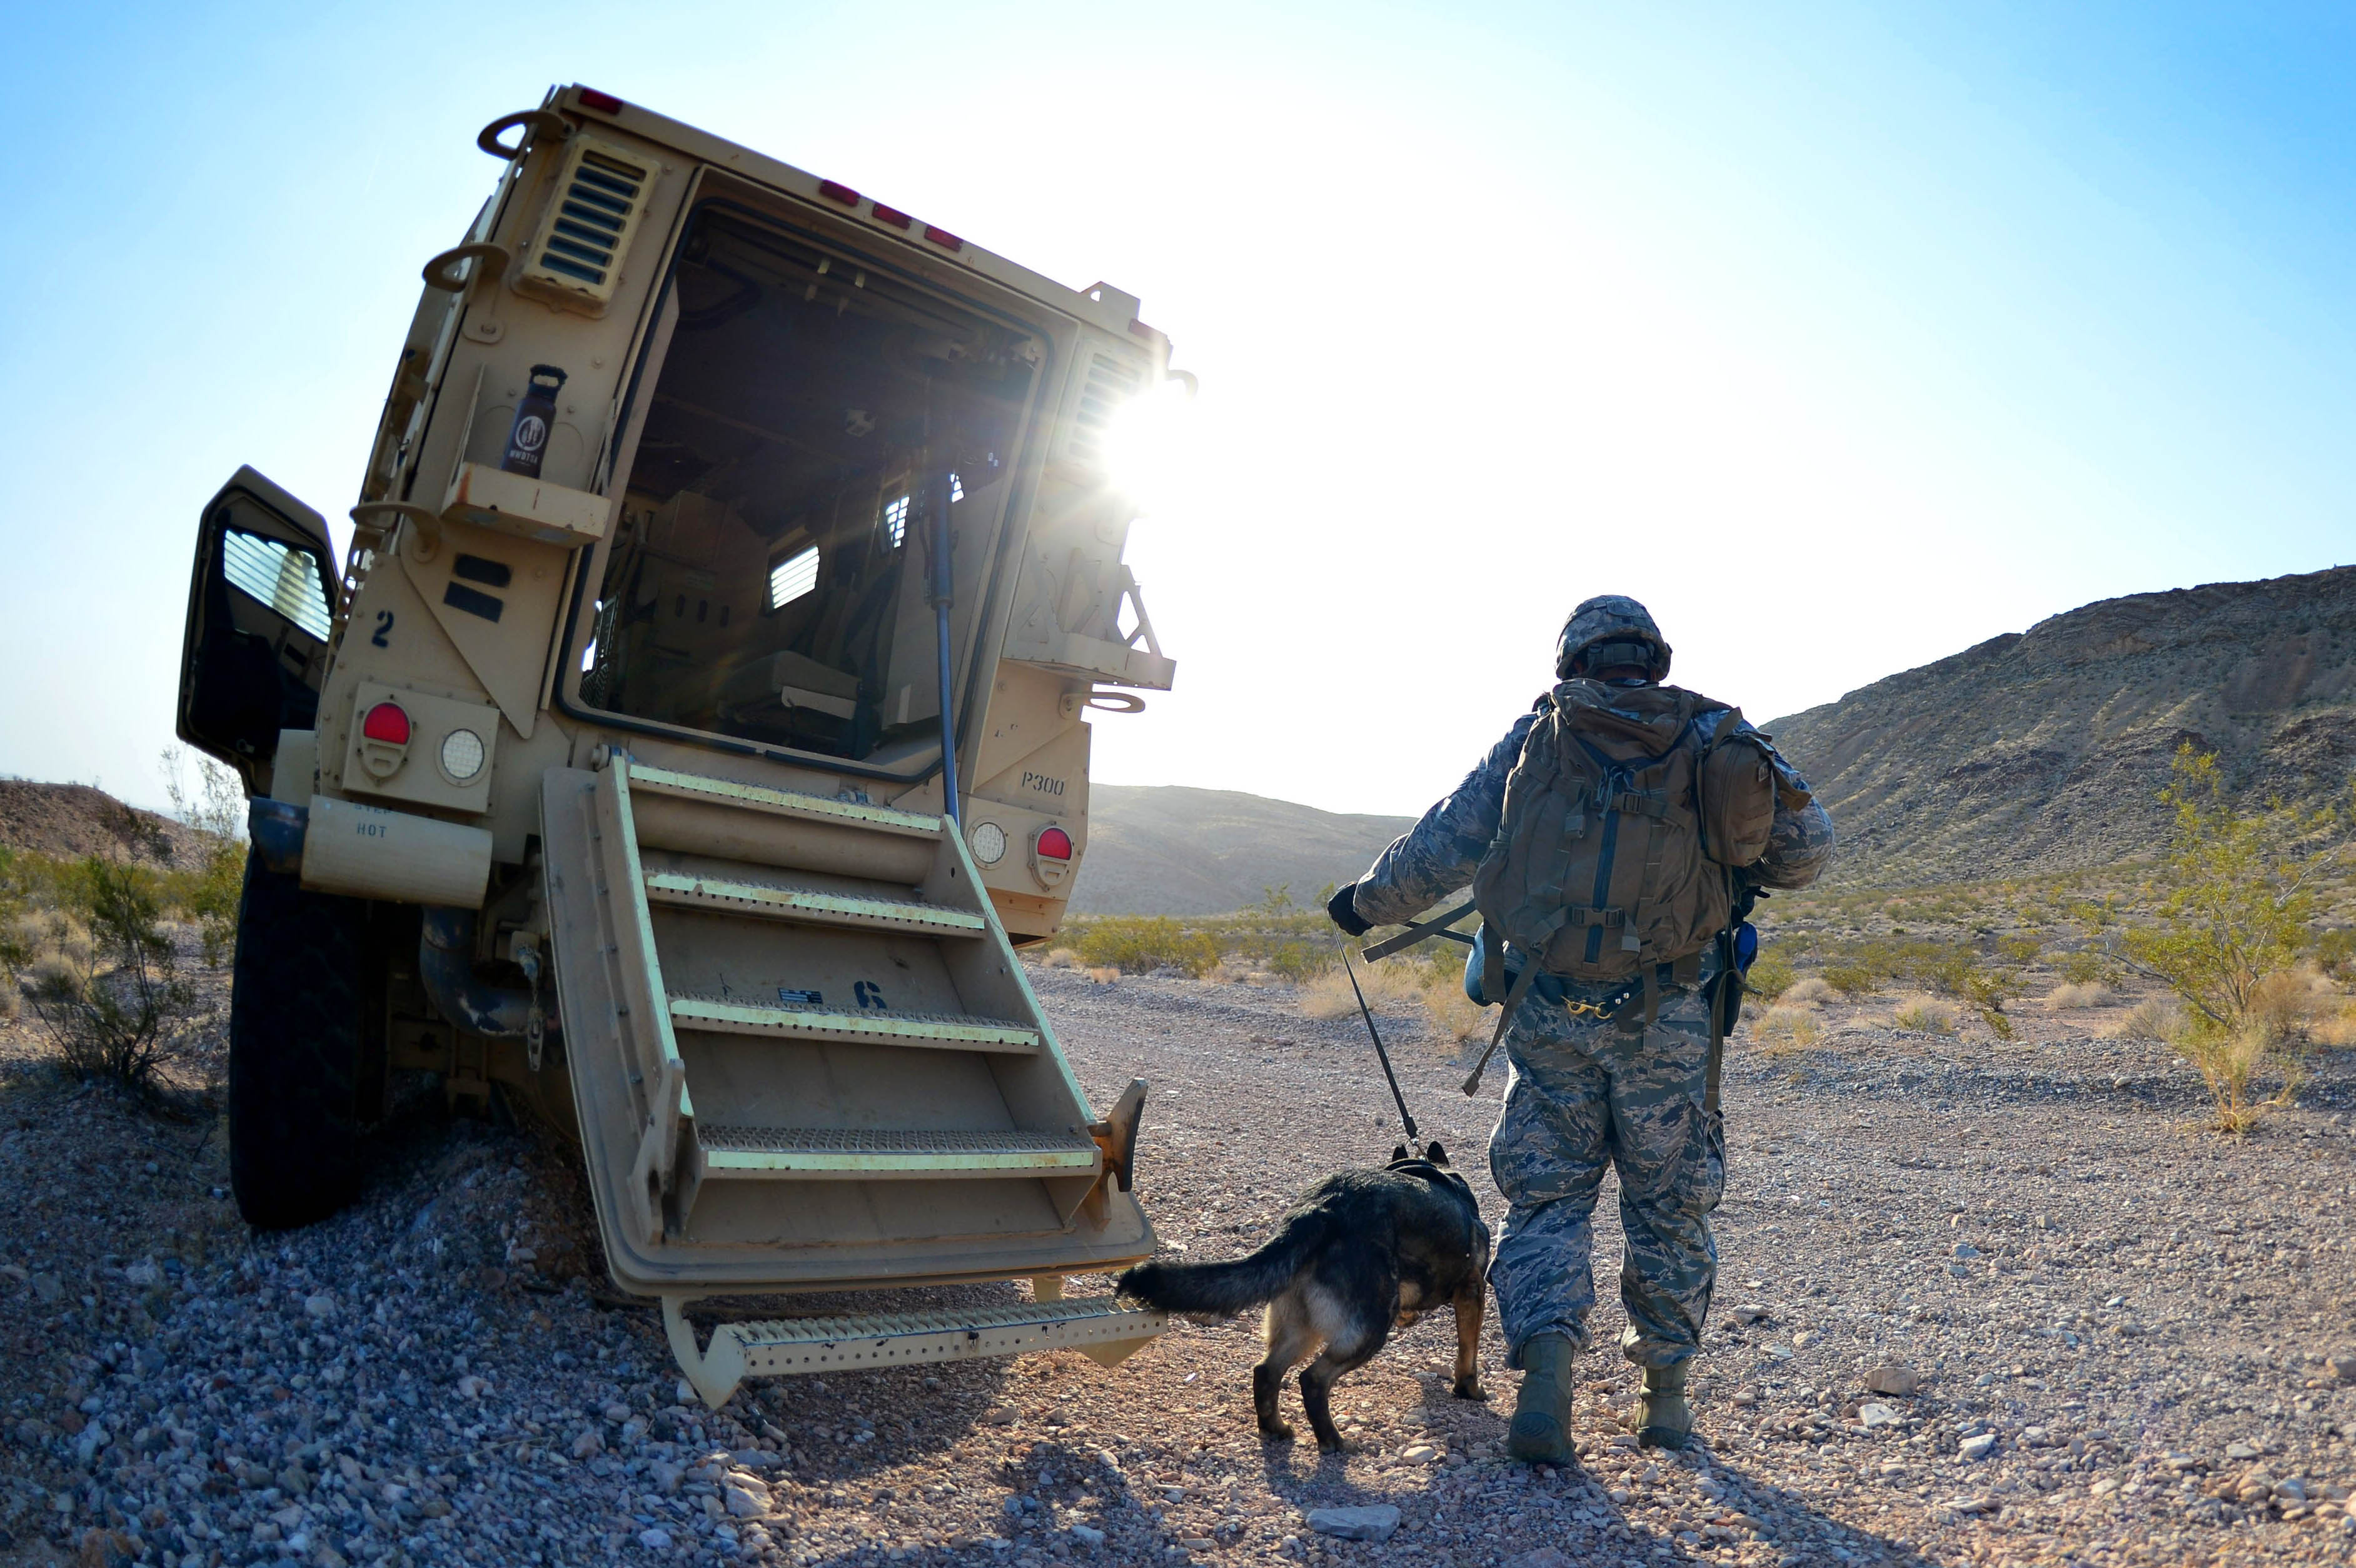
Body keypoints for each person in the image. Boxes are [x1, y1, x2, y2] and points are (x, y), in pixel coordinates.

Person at [1326, 595, 1833, 1463]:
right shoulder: (1720, 735)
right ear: (1654, 658)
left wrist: (1362, 905)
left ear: (1573, 659)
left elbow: (1442, 847)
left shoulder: (1537, 736)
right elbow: (1806, 853)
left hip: (1553, 1010)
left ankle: (1546, 1393)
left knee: (1549, 1196)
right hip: (1672, 1017)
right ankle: (1665, 1403)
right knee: (1669, 1203)